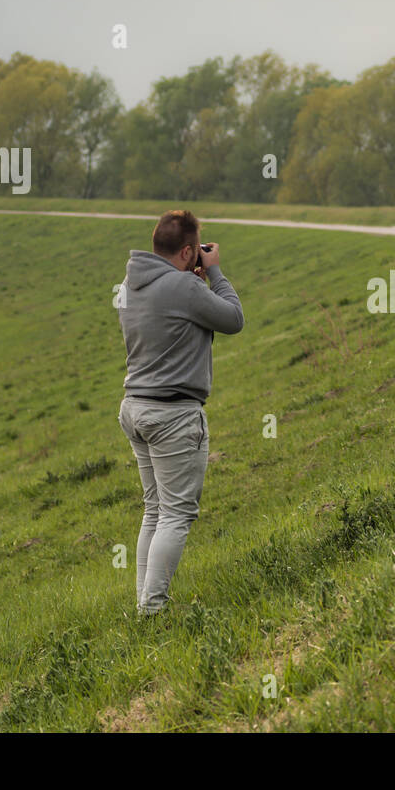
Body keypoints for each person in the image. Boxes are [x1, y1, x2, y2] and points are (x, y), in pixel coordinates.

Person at [117, 210, 243, 617]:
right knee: (176, 514)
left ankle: (143, 604)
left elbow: (171, 316)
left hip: (136, 408)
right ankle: (152, 611)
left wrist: (192, 279)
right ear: (189, 250)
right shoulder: (185, 289)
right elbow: (233, 320)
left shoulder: (132, 285)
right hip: (172, 416)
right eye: (197, 251)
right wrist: (216, 274)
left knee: (154, 510)